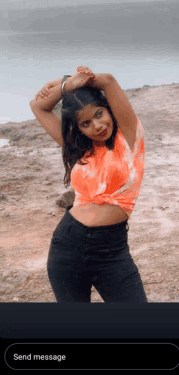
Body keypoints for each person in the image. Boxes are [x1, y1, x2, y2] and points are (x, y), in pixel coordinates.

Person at [30, 67, 147, 302]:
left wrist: (66, 81)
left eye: (99, 114)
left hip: (112, 251)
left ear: (108, 109)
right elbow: (37, 106)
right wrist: (67, 87)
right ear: (79, 128)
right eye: (85, 123)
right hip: (67, 245)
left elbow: (108, 81)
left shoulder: (130, 136)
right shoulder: (80, 148)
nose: (97, 126)